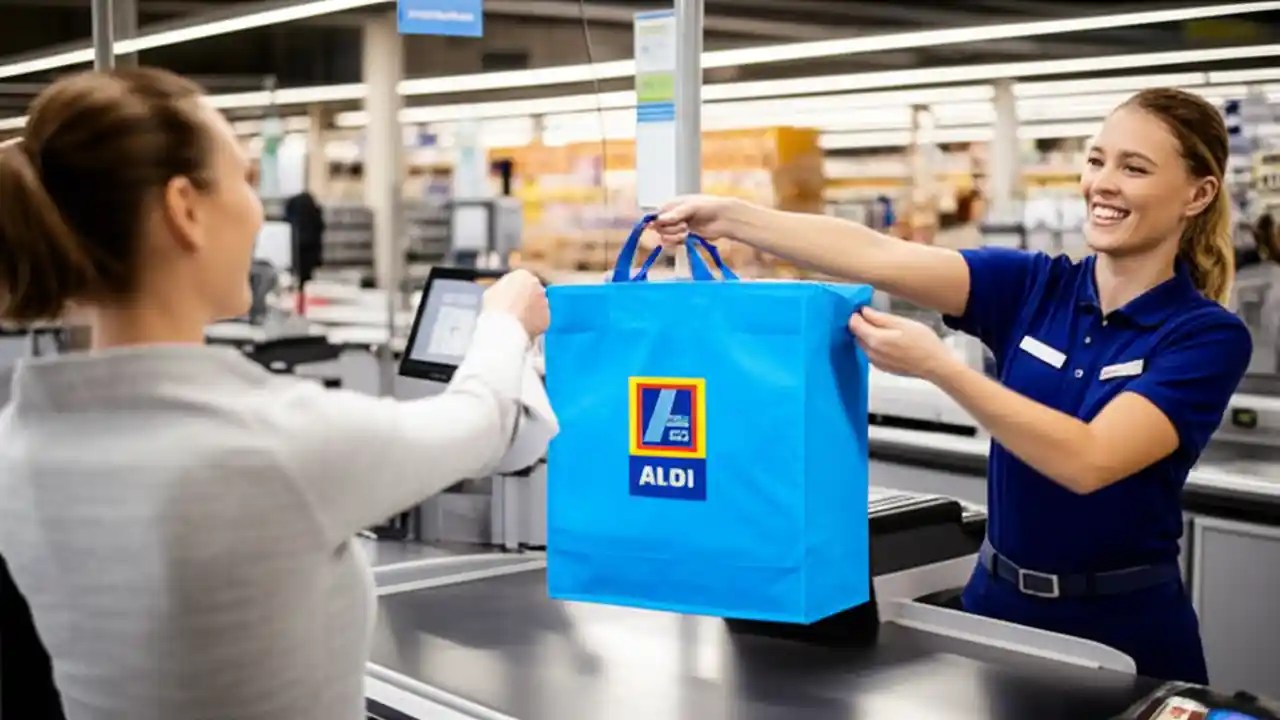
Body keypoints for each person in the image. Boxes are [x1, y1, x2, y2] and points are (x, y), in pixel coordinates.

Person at [0, 68, 556, 719]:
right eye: (244, 179)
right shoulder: (268, 444)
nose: (258, 210)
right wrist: (504, 322)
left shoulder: (20, 447)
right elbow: (481, 423)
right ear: (185, 209)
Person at [653, 87, 1252, 684]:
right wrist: (734, 218)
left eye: (1135, 168)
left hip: (1123, 633)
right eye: (1097, 160)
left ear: (1197, 195)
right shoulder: (1033, 286)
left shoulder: (1204, 336)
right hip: (995, 611)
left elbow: (1088, 460)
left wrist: (941, 368)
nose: (1104, 183)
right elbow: (877, 256)